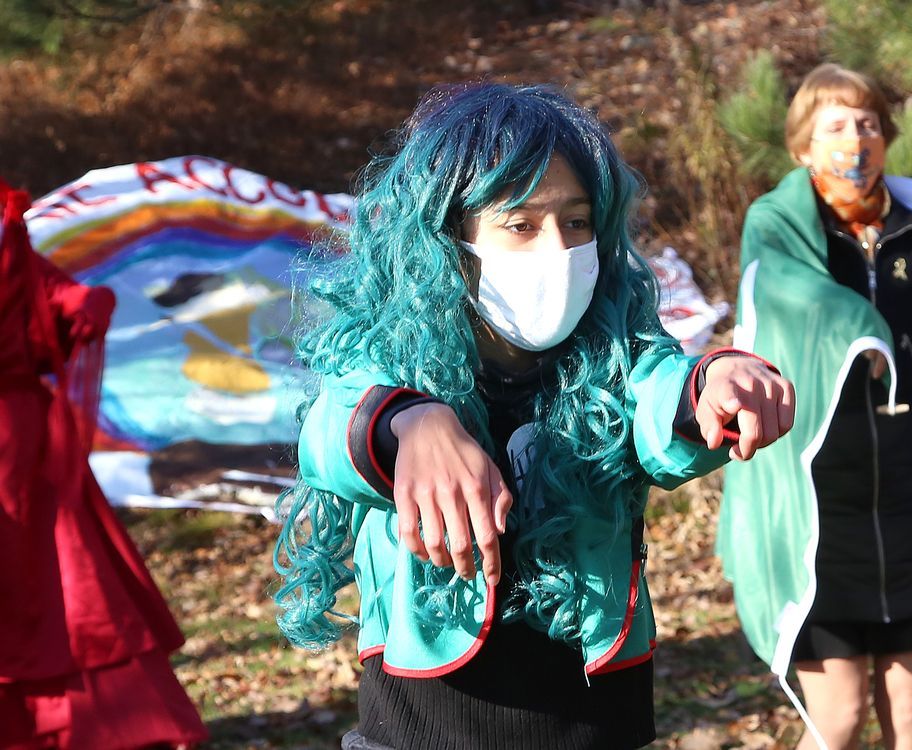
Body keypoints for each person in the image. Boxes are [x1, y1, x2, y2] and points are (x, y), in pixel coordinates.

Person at [273, 81, 795, 750]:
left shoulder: (617, 354)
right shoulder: (388, 362)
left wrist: (716, 381)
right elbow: (331, 427)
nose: (556, 247)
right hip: (420, 732)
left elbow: (662, 395)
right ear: (448, 237)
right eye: (520, 224)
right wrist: (411, 424)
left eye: (575, 221)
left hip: (601, 729)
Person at [718, 63, 912, 750]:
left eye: (869, 123)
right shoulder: (777, 224)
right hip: (818, 495)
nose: (857, 139)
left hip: (908, 490)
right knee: (838, 717)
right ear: (802, 146)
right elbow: (785, 292)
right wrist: (859, 325)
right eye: (837, 125)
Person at [0, 178, 208, 749]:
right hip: (17, 434)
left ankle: (89, 723)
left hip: (20, 440)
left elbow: (57, 295)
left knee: (55, 566)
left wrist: (84, 303)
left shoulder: (7, 236)